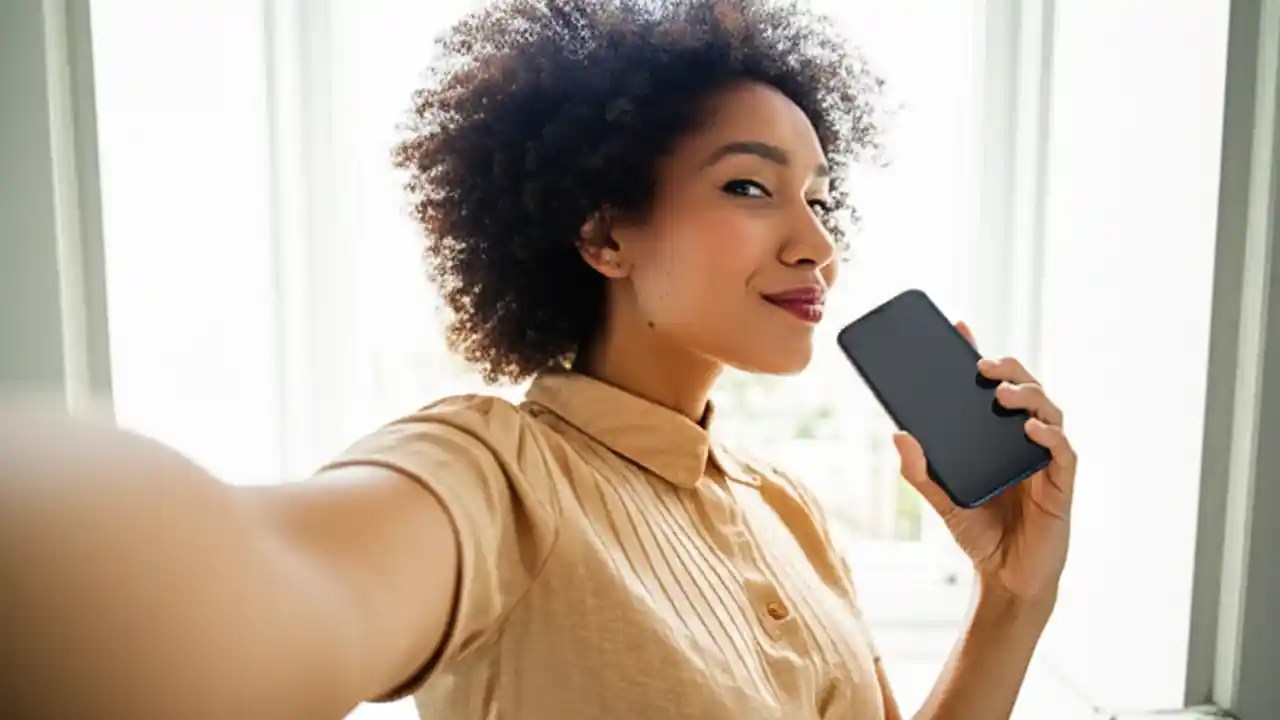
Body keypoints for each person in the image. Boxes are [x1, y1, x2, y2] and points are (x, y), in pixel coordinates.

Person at [0, 0, 1078, 717]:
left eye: (820, 198)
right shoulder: (496, 471)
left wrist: (1011, 598)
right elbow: (246, 601)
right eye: (750, 187)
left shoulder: (788, 511)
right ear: (604, 236)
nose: (815, 243)